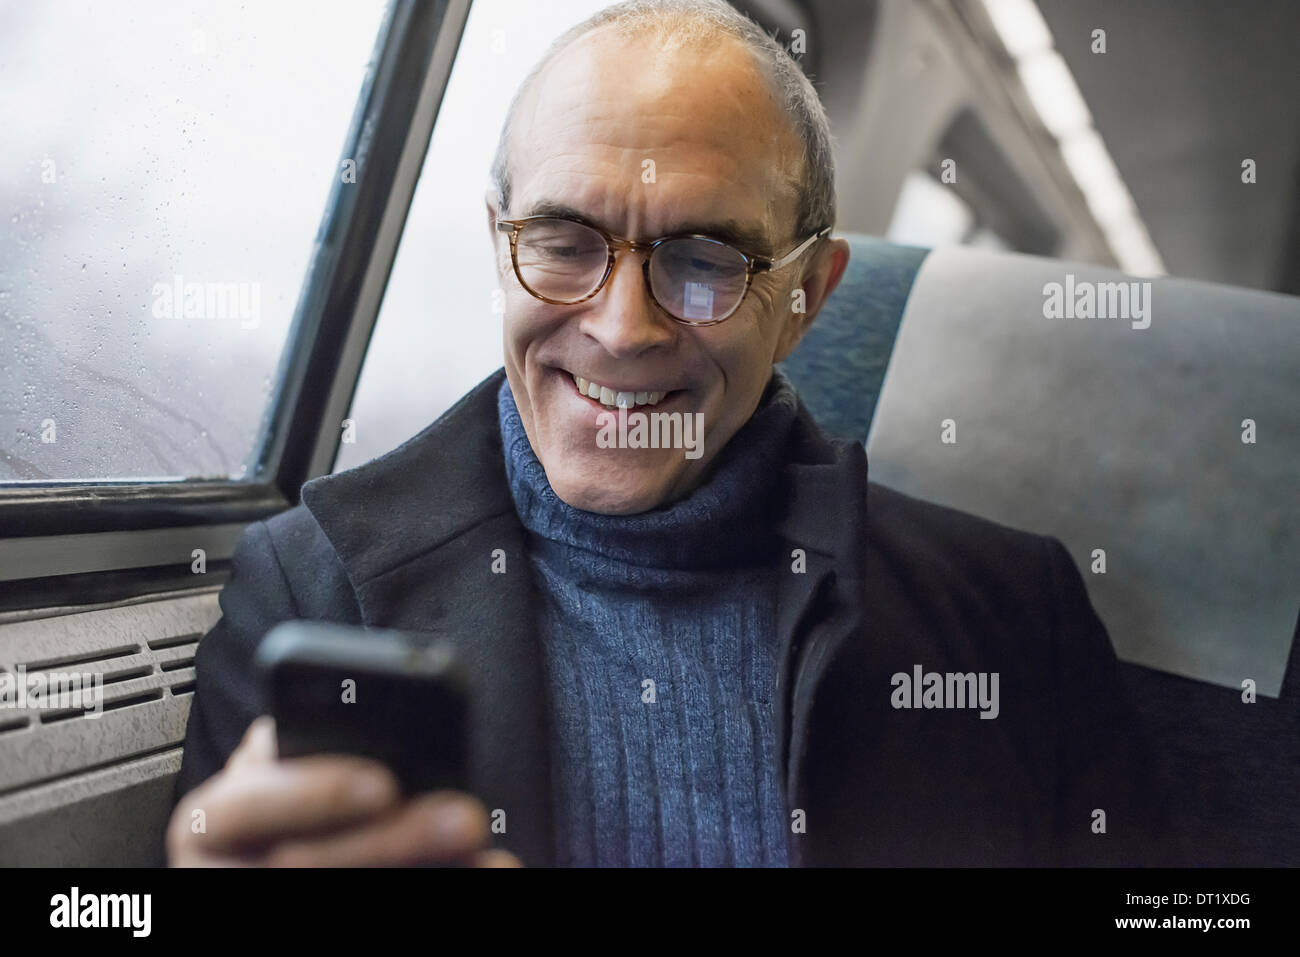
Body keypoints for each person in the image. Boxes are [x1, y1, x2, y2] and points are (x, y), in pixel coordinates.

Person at [167, 0, 1162, 867]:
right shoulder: (311, 587)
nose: (621, 328)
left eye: (702, 259)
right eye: (562, 246)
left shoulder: (1012, 615)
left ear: (806, 297)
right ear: (500, 249)